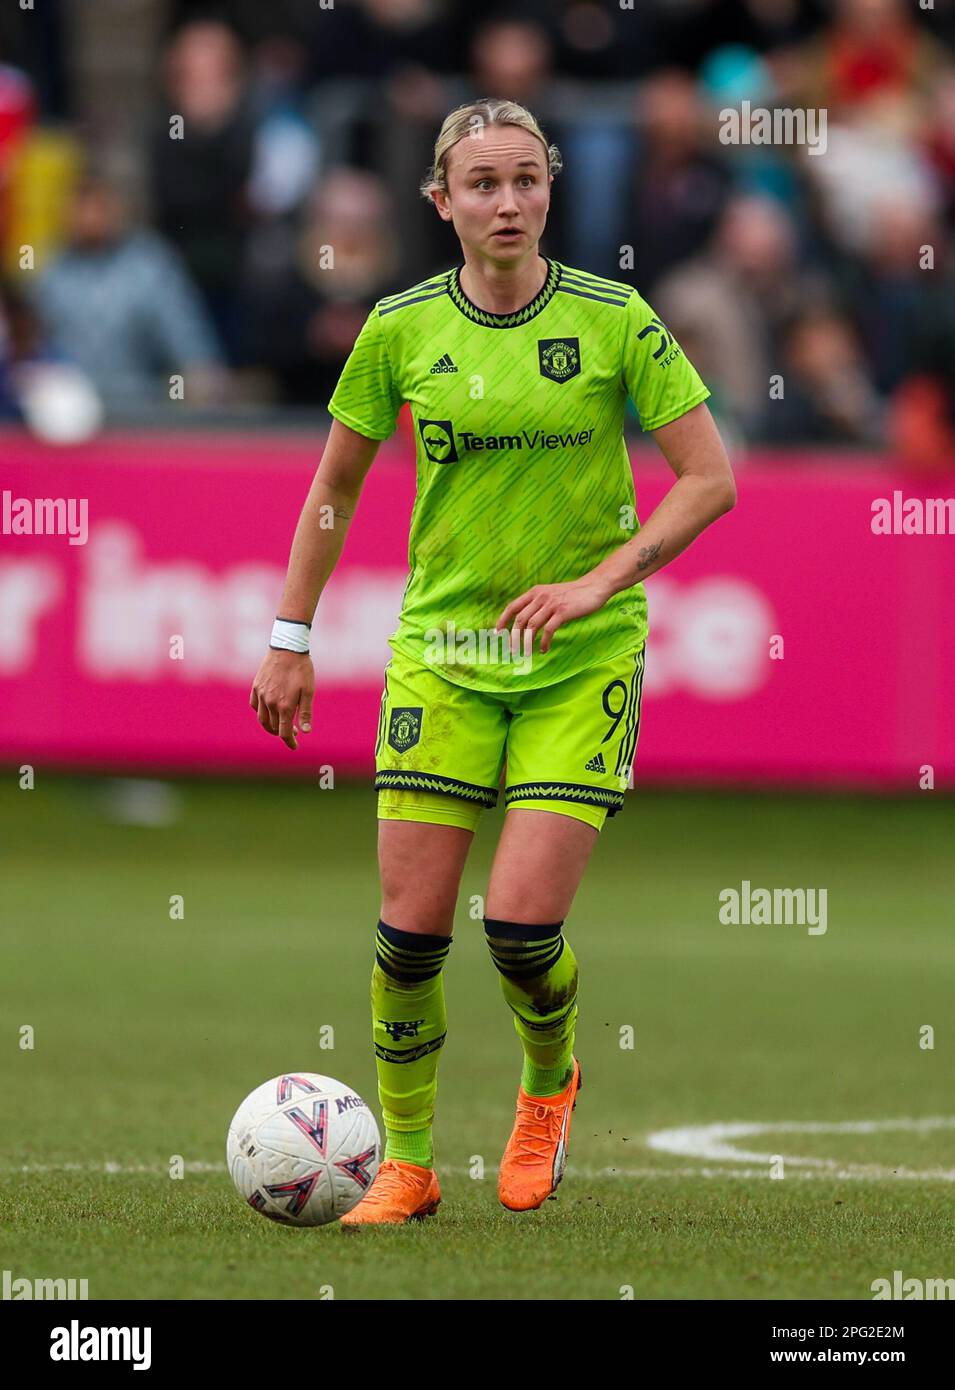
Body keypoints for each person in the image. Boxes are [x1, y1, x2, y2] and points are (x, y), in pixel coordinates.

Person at [249, 98, 736, 1225]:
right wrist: (289, 636)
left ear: (550, 190)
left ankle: (546, 1084)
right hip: (444, 652)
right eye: (482, 185)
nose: (507, 201)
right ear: (442, 202)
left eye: (526, 179)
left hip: (578, 652)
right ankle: (406, 1164)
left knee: (518, 929)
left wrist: (597, 583)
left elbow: (709, 478)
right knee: (408, 936)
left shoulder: (615, 320)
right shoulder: (399, 329)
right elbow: (333, 488)